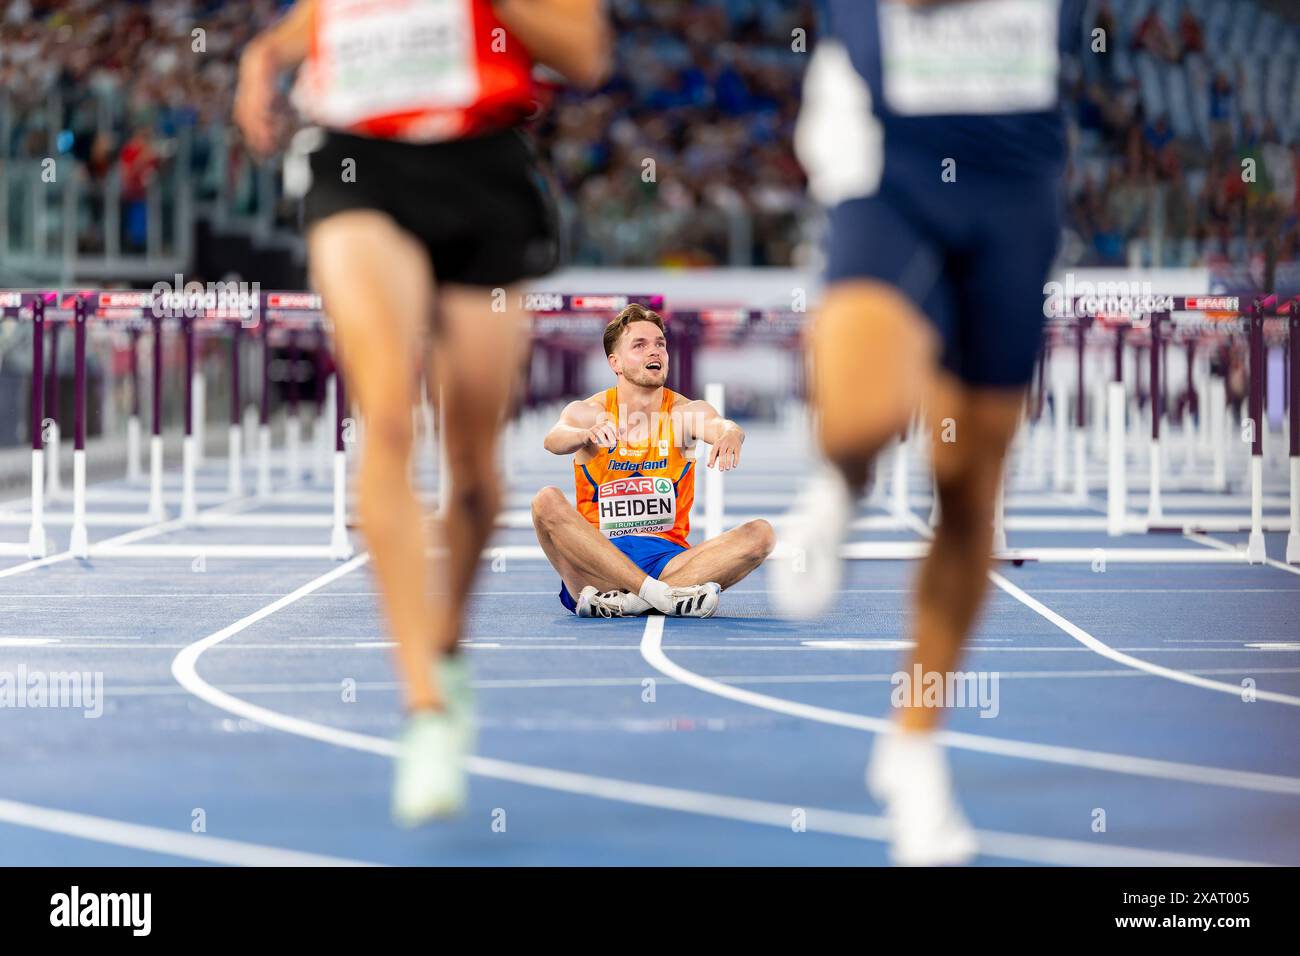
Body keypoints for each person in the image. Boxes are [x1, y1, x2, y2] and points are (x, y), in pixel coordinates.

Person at [233, 0, 610, 826]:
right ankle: (425, 708)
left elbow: (585, 52)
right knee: (390, 423)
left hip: (483, 172)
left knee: (475, 473)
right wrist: (263, 57)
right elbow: (312, 21)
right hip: (356, 165)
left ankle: (446, 652)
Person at [777, 0, 1077, 864]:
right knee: (865, 411)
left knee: (971, 483)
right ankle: (837, 489)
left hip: (1017, 188)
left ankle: (912, 746)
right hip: (892, 168)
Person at [532, 303, 774, 618]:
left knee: (761, 534)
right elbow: (554, 439)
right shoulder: (589, 412)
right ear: (615, 363)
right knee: (545, 501)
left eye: (660, 344)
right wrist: (585, 434)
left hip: (668, 562)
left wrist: (731, 434)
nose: (655, 352)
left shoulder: (685, 413)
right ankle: (662, 596)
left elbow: (721, 425)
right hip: (595, 564)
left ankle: (634, 601)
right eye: (640, 345)